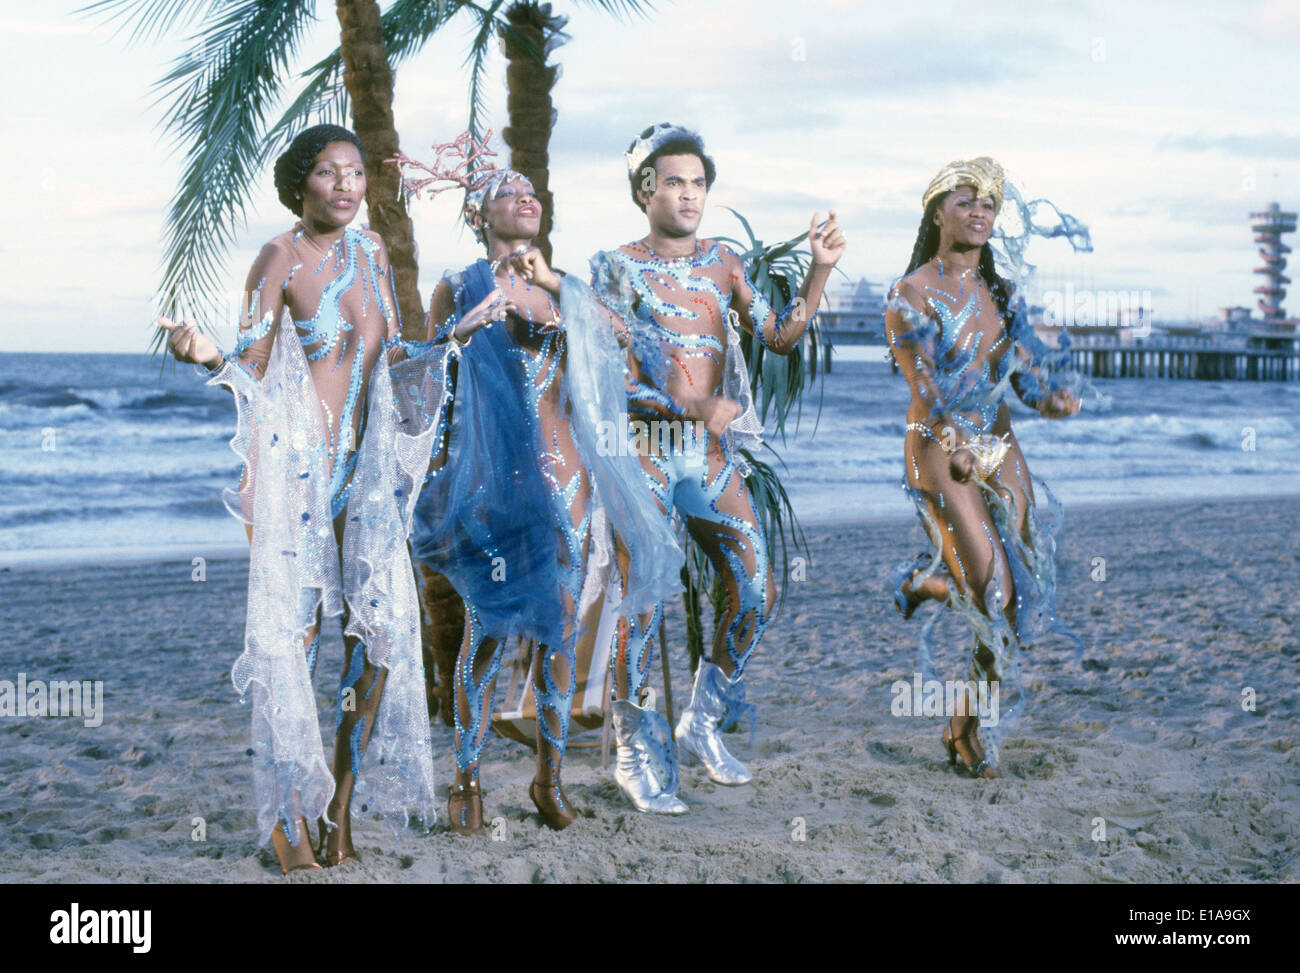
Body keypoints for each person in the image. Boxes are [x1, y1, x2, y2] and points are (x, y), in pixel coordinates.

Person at [159, 124, 438, 872]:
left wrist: (447, 352)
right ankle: (289, 823)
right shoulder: (279, 257)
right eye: (327, 172)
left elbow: (391, 357)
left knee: (378, 639)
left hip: (365, 475)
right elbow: (251, 366)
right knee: (296, 646)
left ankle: (338, 811)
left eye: (354, 172)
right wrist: (207, 354)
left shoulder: (374, 252)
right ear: (299, 184)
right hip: (293, 475)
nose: (345, 185)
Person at [394, 134, 679, 832]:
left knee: (557, 630)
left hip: (572, 486)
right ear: (481, 214)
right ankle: (467, 781)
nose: (528, 199)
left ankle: (551, 779)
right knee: (486, 634)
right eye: (510, 193)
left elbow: (638, 349)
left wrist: (554, 287)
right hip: (496, 484)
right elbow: (418, 379)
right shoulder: (460, 284)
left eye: (534, 193)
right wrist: (461, 330)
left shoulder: (566, 288)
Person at [589, 123, 846, 813]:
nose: (688, 194)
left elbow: (779, 336)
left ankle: (699, 722)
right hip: (641, 453)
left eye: (698, 183)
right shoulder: (615, 266)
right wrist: (695, 407)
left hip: (706, 459)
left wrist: (820, 268)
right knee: (642, 598)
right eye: (673, 181)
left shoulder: (725, 263)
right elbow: (607, 374)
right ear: (645, 190)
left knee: (754, 587)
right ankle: (632, 748)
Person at [884, 156, 1089, 778]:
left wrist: (1050, 402)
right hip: (938, 449)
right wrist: (955, 442)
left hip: (998, 448)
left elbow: (1021, 381)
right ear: (937, 211)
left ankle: (966, 725)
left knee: (1025, 604)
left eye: (989, 204)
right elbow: (925, 382)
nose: (979, 211)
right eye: (966, 199)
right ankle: (923, 582)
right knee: (992, 593)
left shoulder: (1001, 294)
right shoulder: (910, 294)